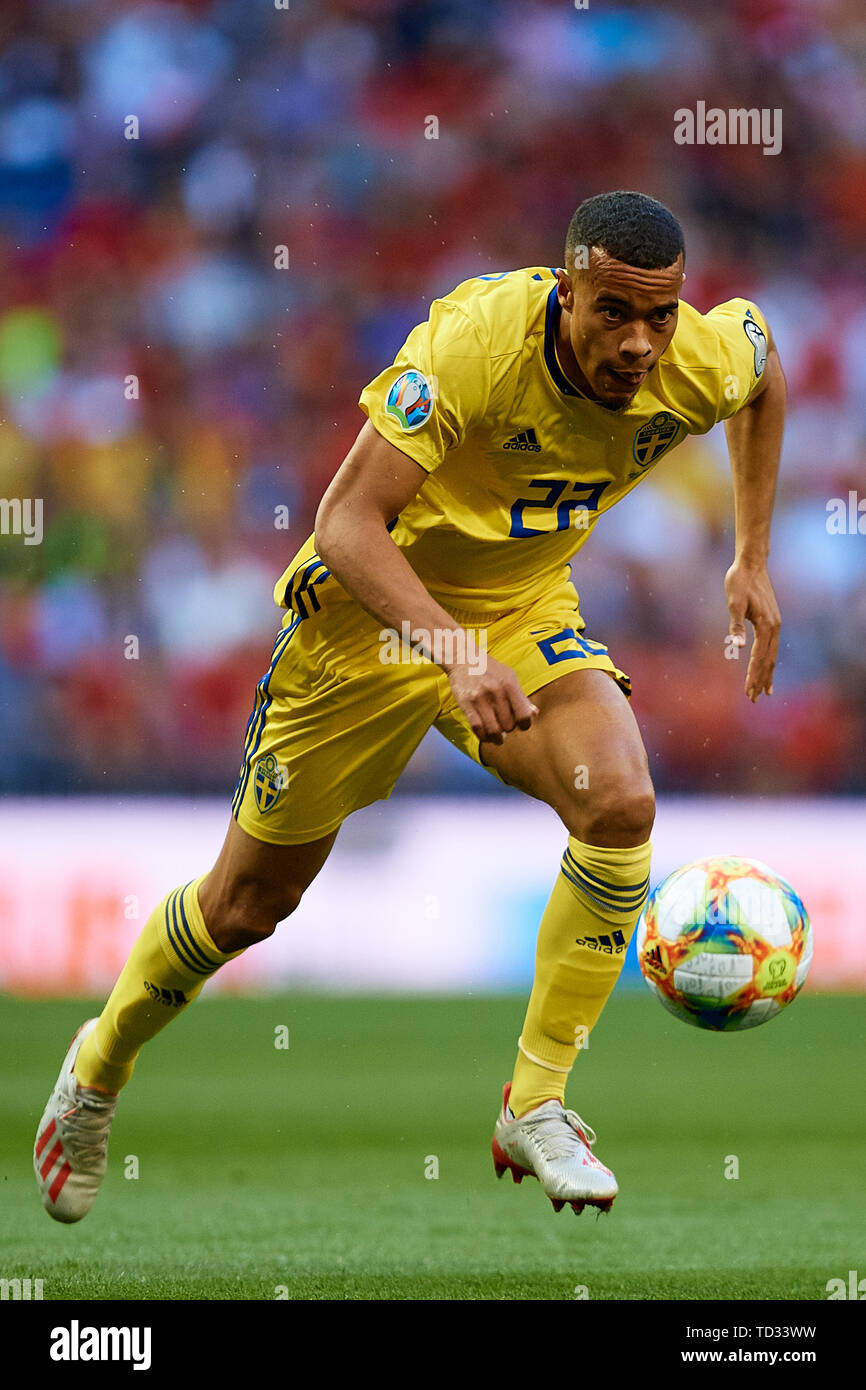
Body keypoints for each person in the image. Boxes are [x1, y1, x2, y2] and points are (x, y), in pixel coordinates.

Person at [34, 190, 783, 1223]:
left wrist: (749, 554)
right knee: (245, 906)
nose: (640, 343)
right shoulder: (473, 342)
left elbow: (763, 372)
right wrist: (451, 650)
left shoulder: (694, 357)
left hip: (514, 611)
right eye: (614, 311)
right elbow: (346, 521)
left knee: (617, 804)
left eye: (659, 314)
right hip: (364, 624)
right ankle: (97, 1062)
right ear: (565, 291)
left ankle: (537, 1099)